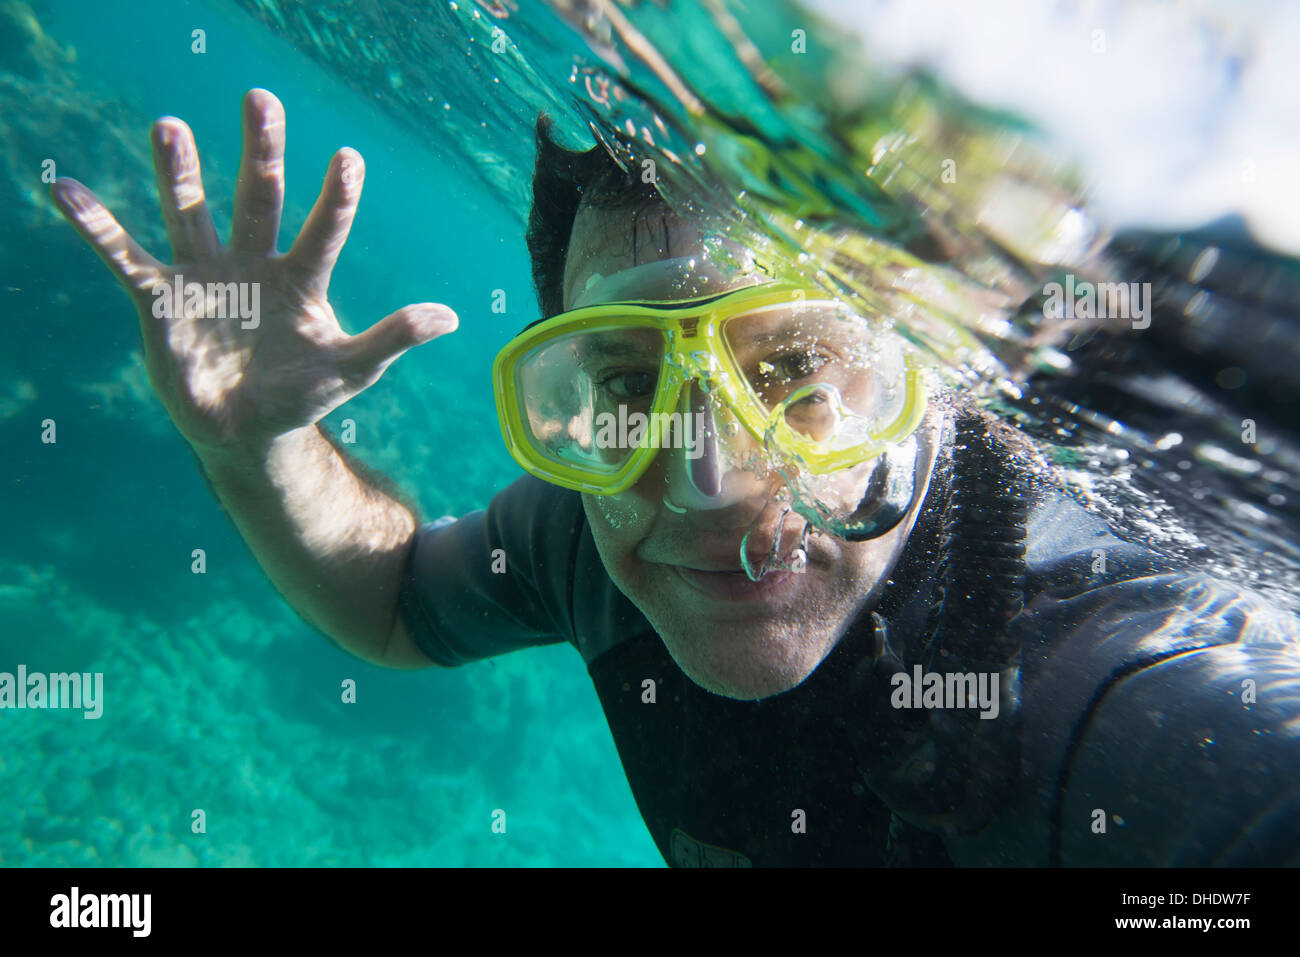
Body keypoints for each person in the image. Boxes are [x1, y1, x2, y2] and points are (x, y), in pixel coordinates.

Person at [53, 89, 1300, 867]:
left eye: (796, 367)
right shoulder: (599, 523)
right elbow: (390, 603)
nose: (702, 482)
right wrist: (251, 443)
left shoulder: (1111, 676)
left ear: (927, 368)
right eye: (624, 378)